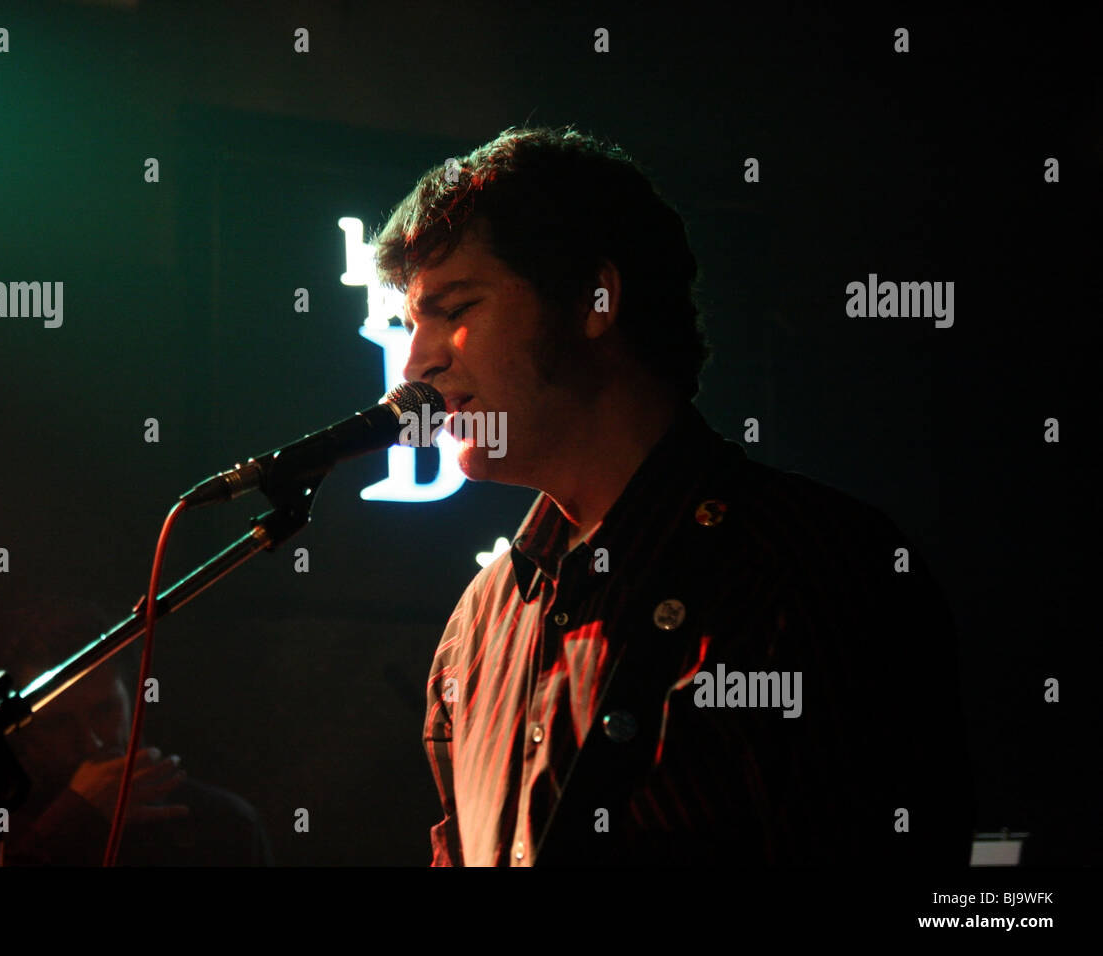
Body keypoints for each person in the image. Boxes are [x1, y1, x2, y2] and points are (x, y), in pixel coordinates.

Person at [372, 126, 974, 867]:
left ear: (597, 299)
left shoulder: (806, 568)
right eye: (408, 323)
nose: (416, 361)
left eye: (457, 308)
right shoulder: (476, 624)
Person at [0, 600, 273, 866]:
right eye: (58, 722)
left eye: (105, 710)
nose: (90, 741)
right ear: (21, 734)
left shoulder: (221, 823)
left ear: (133, 696)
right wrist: (71, 821)